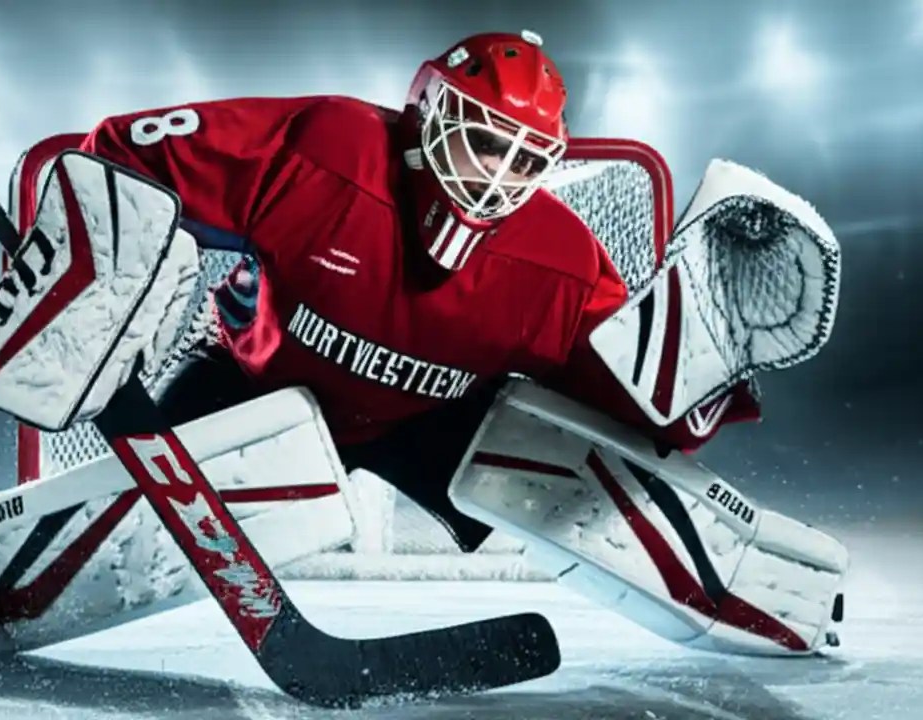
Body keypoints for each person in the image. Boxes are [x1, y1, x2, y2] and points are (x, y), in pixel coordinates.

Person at [75, 30, 759, 551]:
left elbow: (641, 396)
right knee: (141, 513)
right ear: (429, 112)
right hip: (254, 384)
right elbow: (119, 153)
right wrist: (111, 272)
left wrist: (711, 355)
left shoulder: (560, 262)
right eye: (487, 143)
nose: (499, 176)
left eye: (525, 159)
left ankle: (733, 582)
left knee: (578, 461)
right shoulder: (328, 150)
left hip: (418, 422)